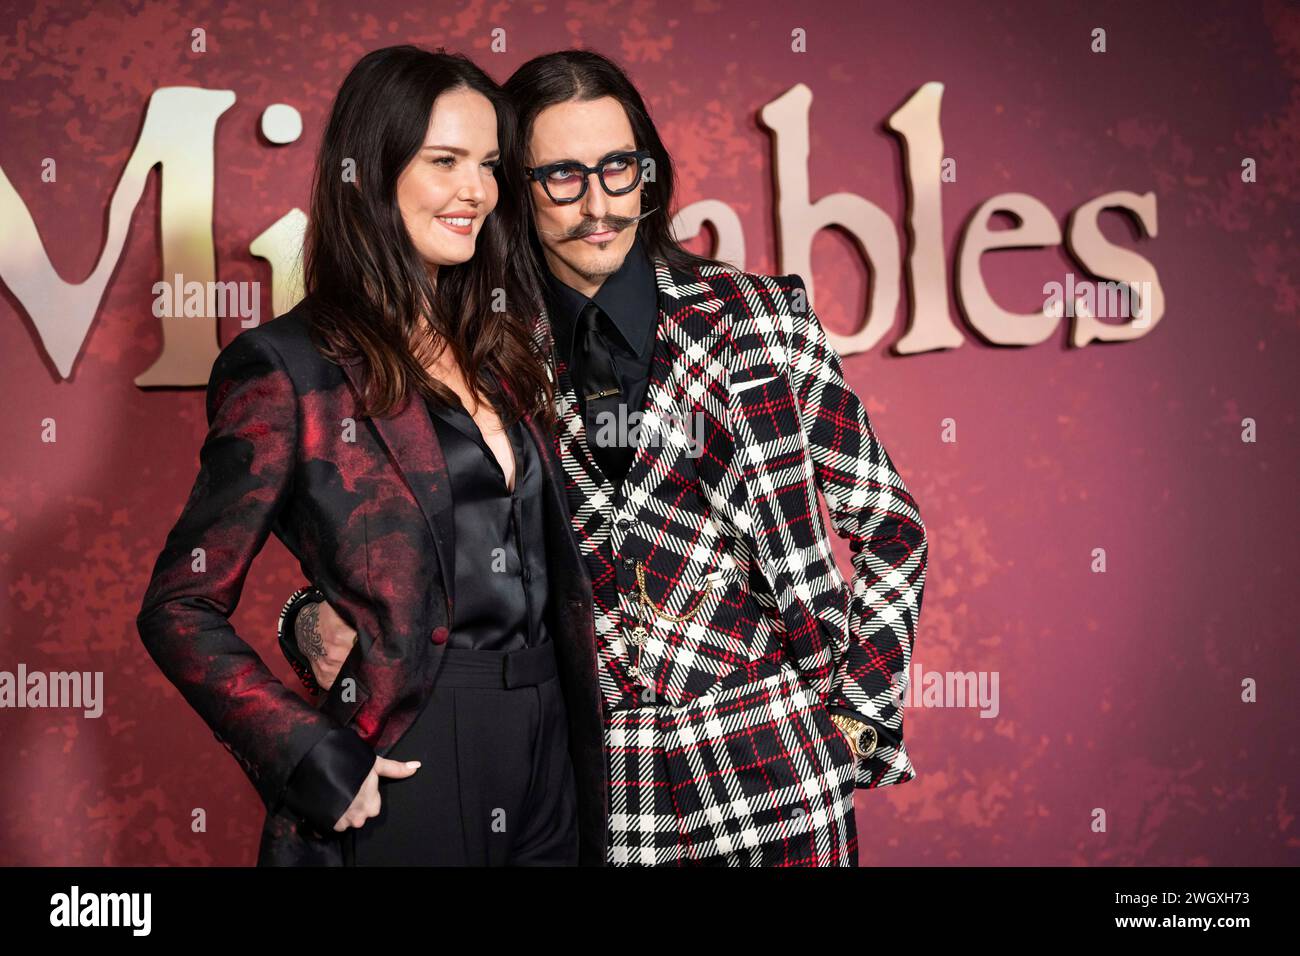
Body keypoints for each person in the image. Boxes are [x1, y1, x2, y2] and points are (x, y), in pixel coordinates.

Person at [280, 49, 929, 866]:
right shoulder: (476, 353)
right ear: (514, 190)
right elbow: (417, 536)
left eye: (619, 168)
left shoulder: (761, 318)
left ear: (647, 173)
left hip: (777, 767)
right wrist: (307, 613)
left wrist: (858, 714)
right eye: (561, 176)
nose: (598, 204)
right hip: (591, 786)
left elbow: (891, 526)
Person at [136, 45, 608, 866]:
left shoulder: (502, 347)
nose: (477, 191)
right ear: (370, 171)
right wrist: (309, 757)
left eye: (490, 164)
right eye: (445, 161)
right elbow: (178, 606)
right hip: (417, 743)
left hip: (553, 743)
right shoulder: (289, 368)